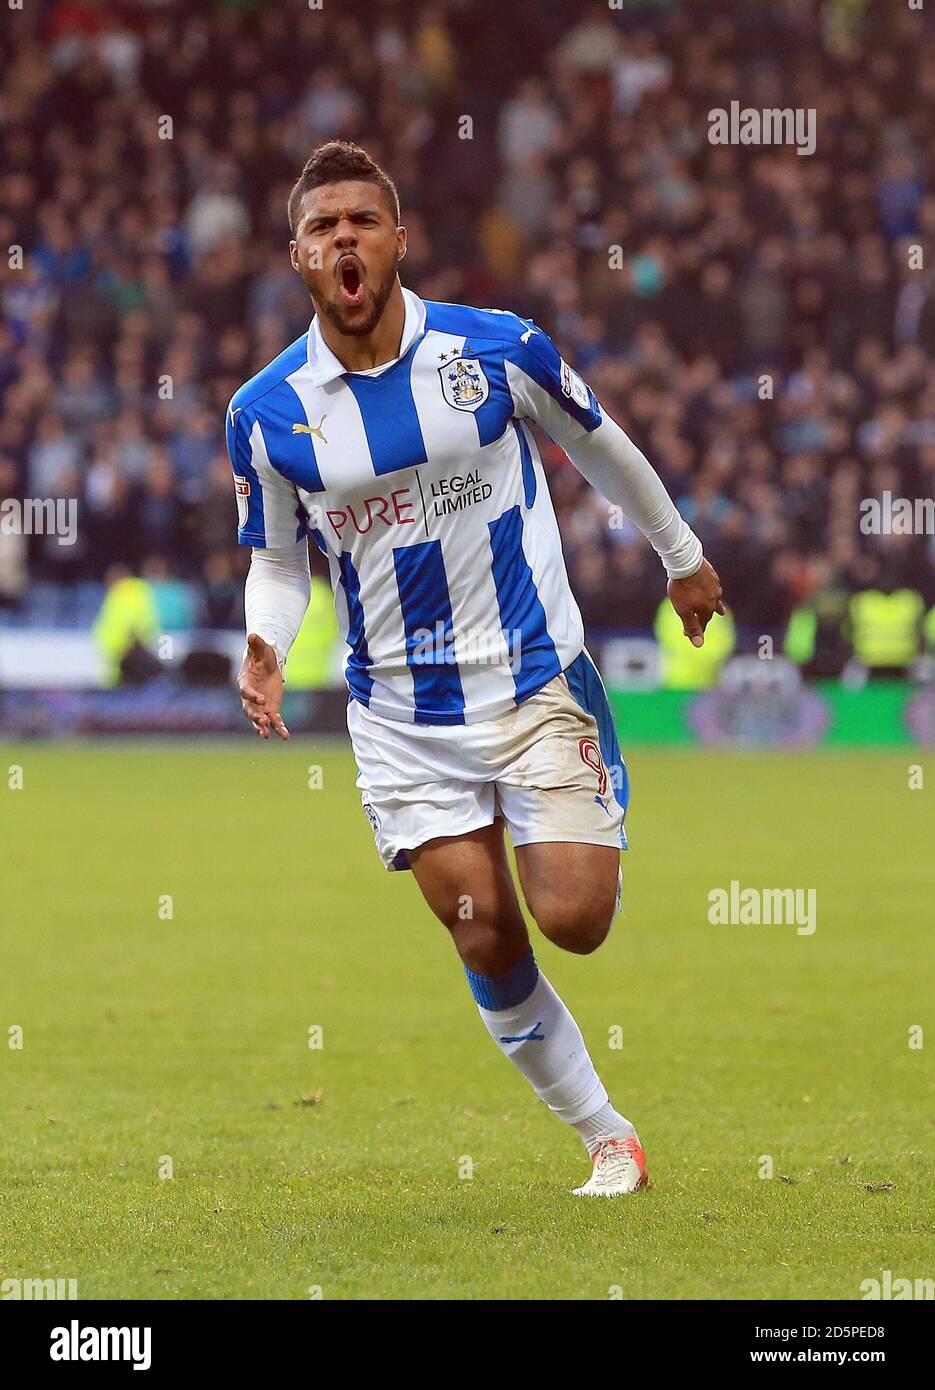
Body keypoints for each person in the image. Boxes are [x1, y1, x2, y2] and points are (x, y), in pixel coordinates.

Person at [227, 141, 725, 1197]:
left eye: (362, 220)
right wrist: (265, 638)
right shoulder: (264, 413)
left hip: (532, 678)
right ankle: (606, 1136)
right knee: (482, 930)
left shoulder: (494, 350)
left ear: (398, 237)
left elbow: (602, 444)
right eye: (323, 228)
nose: (344, 240)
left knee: (575, 920)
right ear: (297, 257)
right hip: (402, 718)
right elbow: (277, 558)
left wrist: (680, 558)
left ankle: (552, 813)